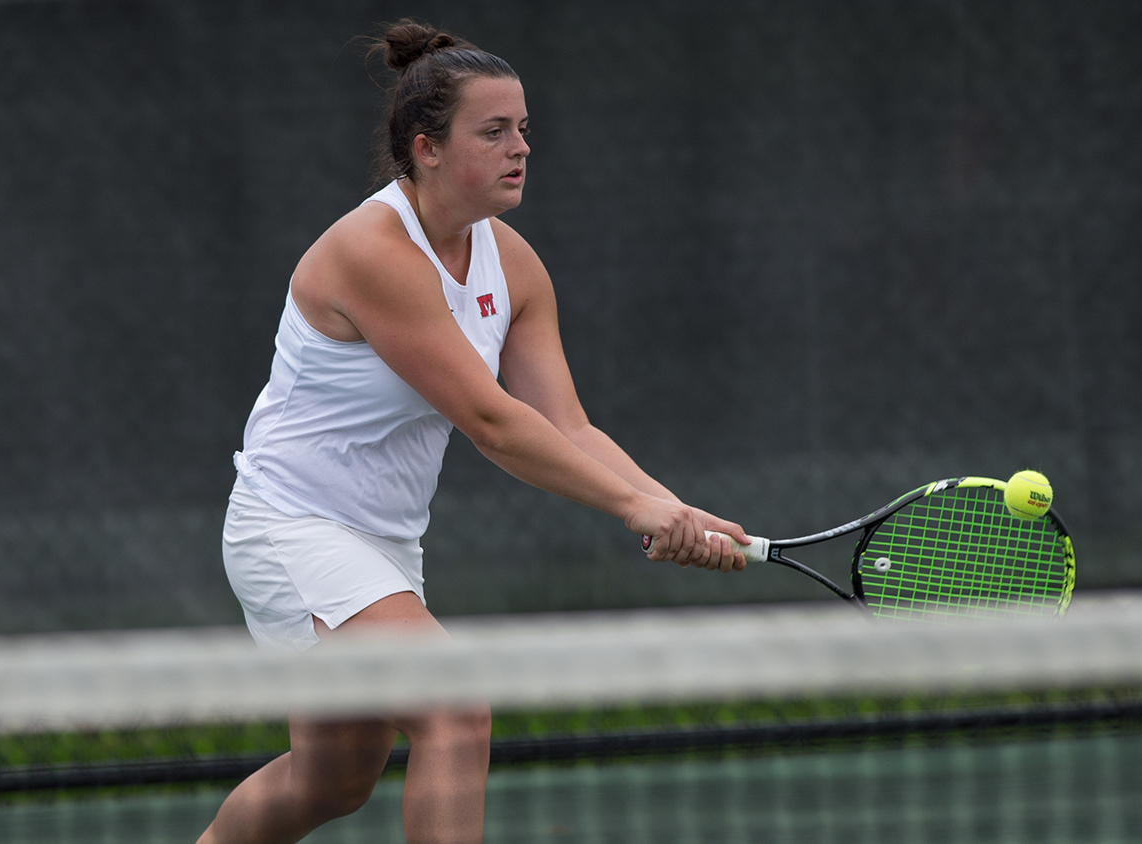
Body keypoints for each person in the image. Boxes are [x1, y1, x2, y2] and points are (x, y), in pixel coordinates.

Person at [197, 19, 750, 844]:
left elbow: (567, 425)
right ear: (426, 149)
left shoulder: (514, 266)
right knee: (455, 705)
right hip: (292, 524)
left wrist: (675, 508)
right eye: (492, 132)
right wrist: (634, 510)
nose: (519, 147)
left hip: (386, 540)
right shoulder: (371, 251)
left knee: (329, 782)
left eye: (522, 129)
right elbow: (493, 422)